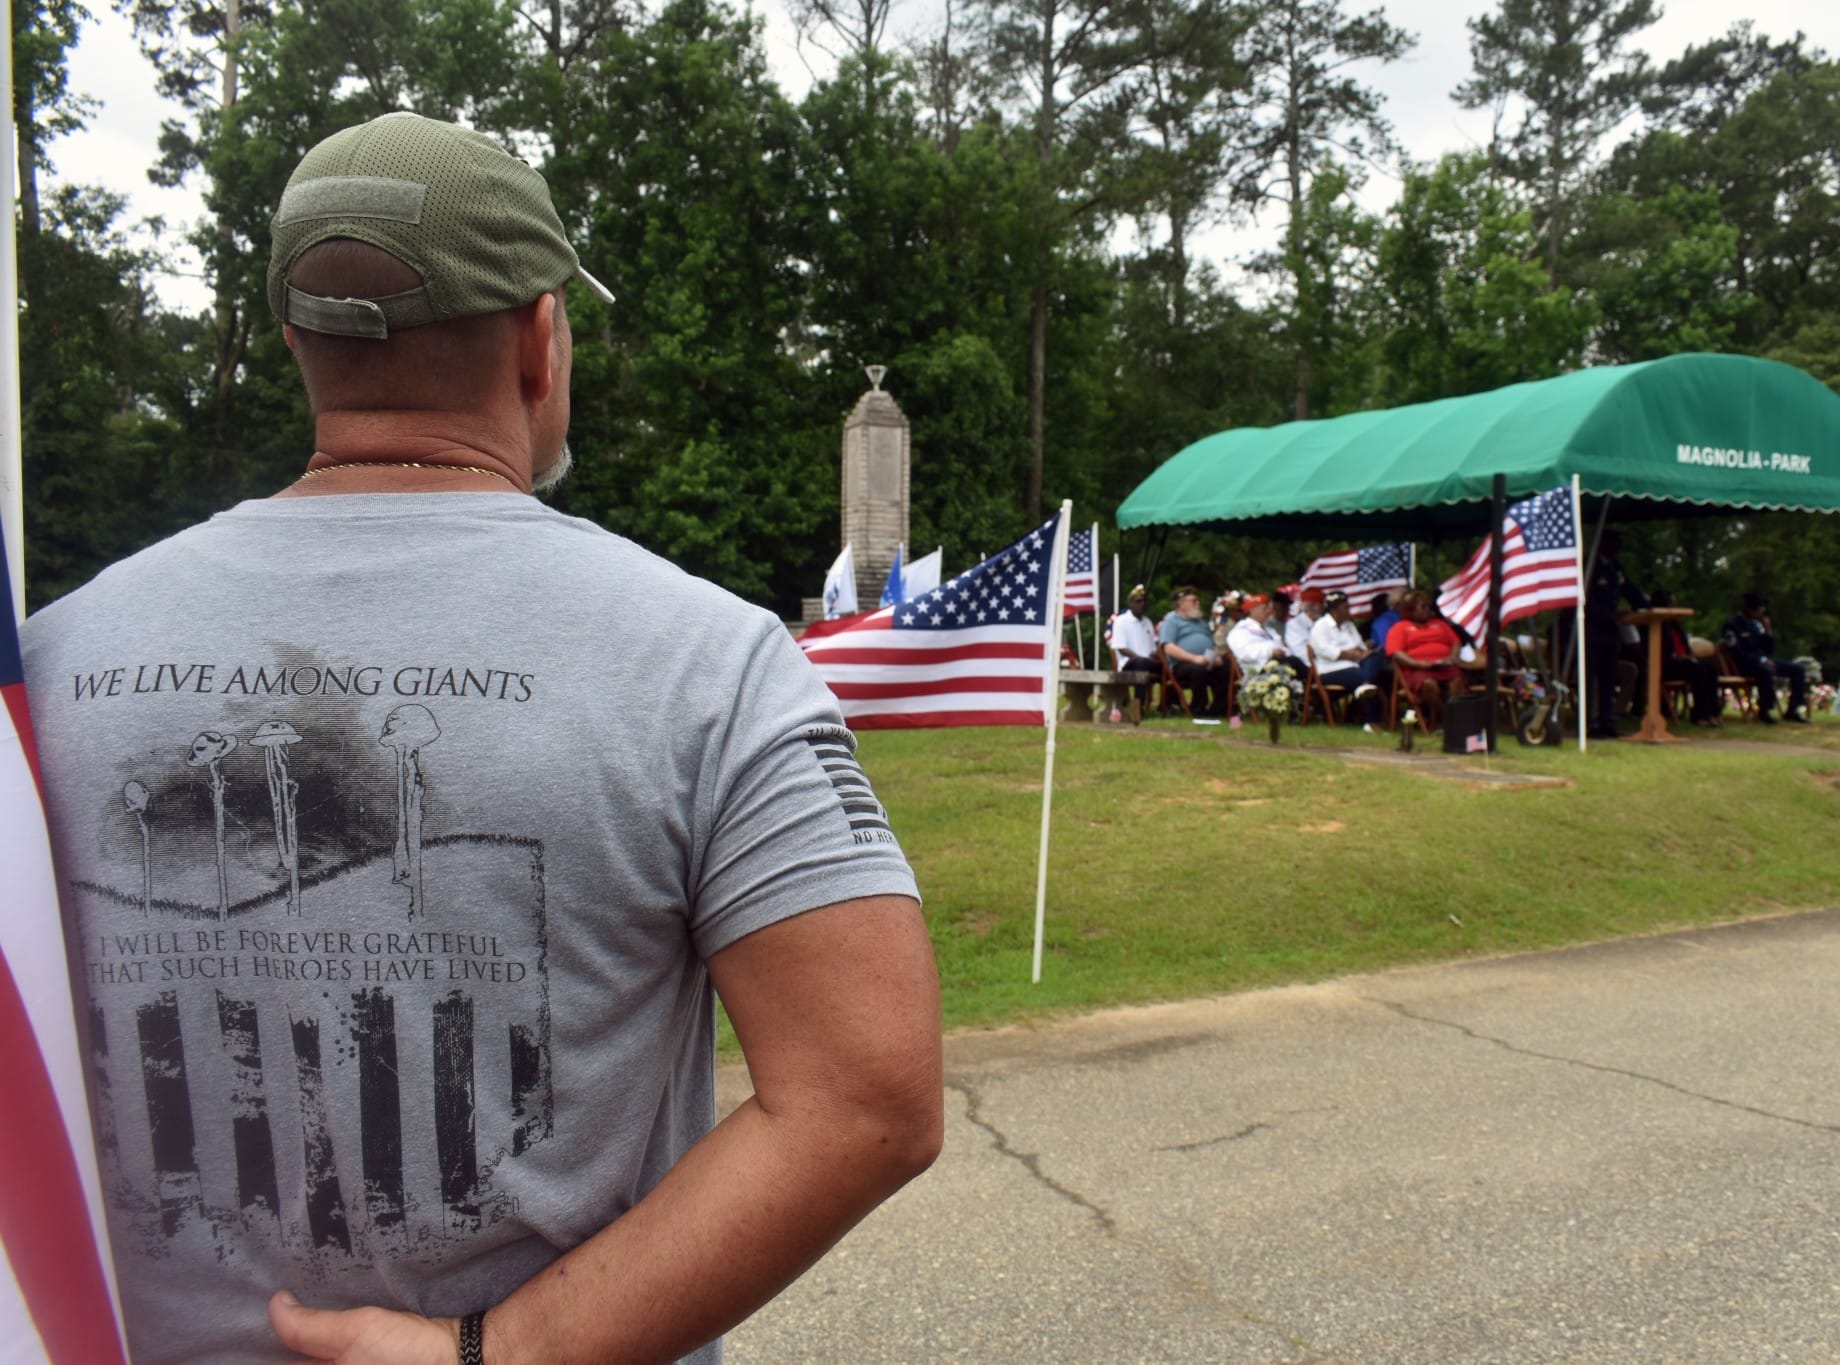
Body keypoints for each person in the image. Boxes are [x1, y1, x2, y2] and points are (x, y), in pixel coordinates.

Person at [20, 113, 943, 1365]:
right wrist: (493, 1353)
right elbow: (867, 1100)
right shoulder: (705, 663)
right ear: (538, 336)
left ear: (298, 340)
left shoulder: (50, 662)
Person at [1586, 530, 1649, 738]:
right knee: (1591, 678)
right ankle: (1590, 721)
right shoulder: (1590, 565)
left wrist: (1648, 608)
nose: (1617, 548)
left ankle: (1607, 720)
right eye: (1614, 543)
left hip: (1611, 633)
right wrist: (1610, 615)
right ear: (1603, 543)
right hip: (1592, 630)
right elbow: (1585, 600)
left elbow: (1630, 591)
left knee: (1609, 677)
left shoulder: (1615, 568)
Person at [1722, 592, 1810, 722]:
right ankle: (1765, 710)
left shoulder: (1757, 625)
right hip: (1744, 665)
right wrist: (1761, 660)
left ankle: (1793, 708)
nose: (1760, 613)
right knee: (1765, 672)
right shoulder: (1733, 625)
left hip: (1762, 660)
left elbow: (1769, 649)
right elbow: (1736, 652)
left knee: (1797, 669)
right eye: (1758, 609)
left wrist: (1768, 631)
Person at [1385, 592, 1465, 725]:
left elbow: (1456, 643)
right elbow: (1395, 652)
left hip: (1444, 665)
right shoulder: (1399, 628)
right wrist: (1417, 663)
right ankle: (1445, 716)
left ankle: (1452, 718)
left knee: (1458, 682)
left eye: (1427, 607)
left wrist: (1452, 657)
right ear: (1411, 610)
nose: (1428, 610)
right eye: (1423, 607)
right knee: (1429, 685)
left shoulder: (1440, 624)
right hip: (1417, 669)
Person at [1649, 589, 1723, 727]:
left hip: (1684, 662)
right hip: (1667, 664)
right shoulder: (1655, 625)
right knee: (1698, 670)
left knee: (1710, 669)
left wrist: (1688, 655)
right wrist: (1677, 656)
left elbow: (1685, 646)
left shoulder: (1676, 626)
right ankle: (1700, 714)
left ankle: (1714, 712)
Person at [1160, 585, 1229, 716]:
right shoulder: (1172, 621)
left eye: (1197, 601)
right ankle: (1199, 710)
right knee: (1198, 670)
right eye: (1194, 601)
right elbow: (1168, 647)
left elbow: (1212, 643)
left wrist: (1216, 656)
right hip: (1182, 665)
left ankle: (1218, 710)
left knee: (1226, 668)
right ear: (1181, 604)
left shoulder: (1201, 623)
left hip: (1206, 661)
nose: (1198, 604)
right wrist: (1194, 659)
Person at [1308, 591, 1377, 698]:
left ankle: (1364, 685)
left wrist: (1355, 652)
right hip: (1331, 670)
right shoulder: (1321, 626)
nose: (1349, 610)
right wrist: (1351, 654)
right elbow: (1327, 651)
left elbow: (1360, 646)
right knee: (1363, 677)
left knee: (1375, 659)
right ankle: (1365, 686)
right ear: (1334, 610)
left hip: (1356, 665)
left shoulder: (1349, 625)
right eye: (1345, 607)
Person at [1226, 593, 1305, 680]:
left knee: (1295, 660)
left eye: (1268, 608)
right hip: (1257, 671)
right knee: (1293, 662)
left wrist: (1283, 651)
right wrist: (1270, 651)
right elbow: (1245, 653)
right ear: (1253, 610)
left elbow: (1281, 646)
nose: (1268, 611)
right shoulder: (1240, 631)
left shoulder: (1269, 629)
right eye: (1265, 608)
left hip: (1276, 665)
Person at [1109, 584, 1160, 680]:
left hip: (1147, 662)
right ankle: (1140, 695)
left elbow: (1153, 648)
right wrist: (1141, 658)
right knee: (1141, 663)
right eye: (1138, 601)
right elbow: (1121, 648)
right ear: (1130, 603)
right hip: (1128, 663)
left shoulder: (1148, 622)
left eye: (1144, 601)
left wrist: (1154, 656)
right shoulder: (1121, 621)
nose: (1142, 604)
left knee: (1168, 667)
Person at [1285, 586, 1324, 667]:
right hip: (1309, 666)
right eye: (1320, 604)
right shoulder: (1294, 624)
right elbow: (1300, 652)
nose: (1322, 608)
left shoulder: (1322, 622)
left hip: (1327, 664)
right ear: (1311, 606)